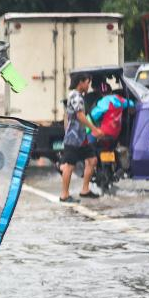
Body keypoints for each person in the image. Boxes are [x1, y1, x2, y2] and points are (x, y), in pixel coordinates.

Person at [59, 73, 105, 202]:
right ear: (81, 82)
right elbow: (80, 116)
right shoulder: (76, 96)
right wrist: (95, 129)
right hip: (74, 138)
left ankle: (85, 190)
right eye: (87, 82)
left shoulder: (77, 96)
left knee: (92, 160)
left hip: (81, 137)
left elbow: (67, 116)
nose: (88, 86)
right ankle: (64, 195)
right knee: (69, 165)